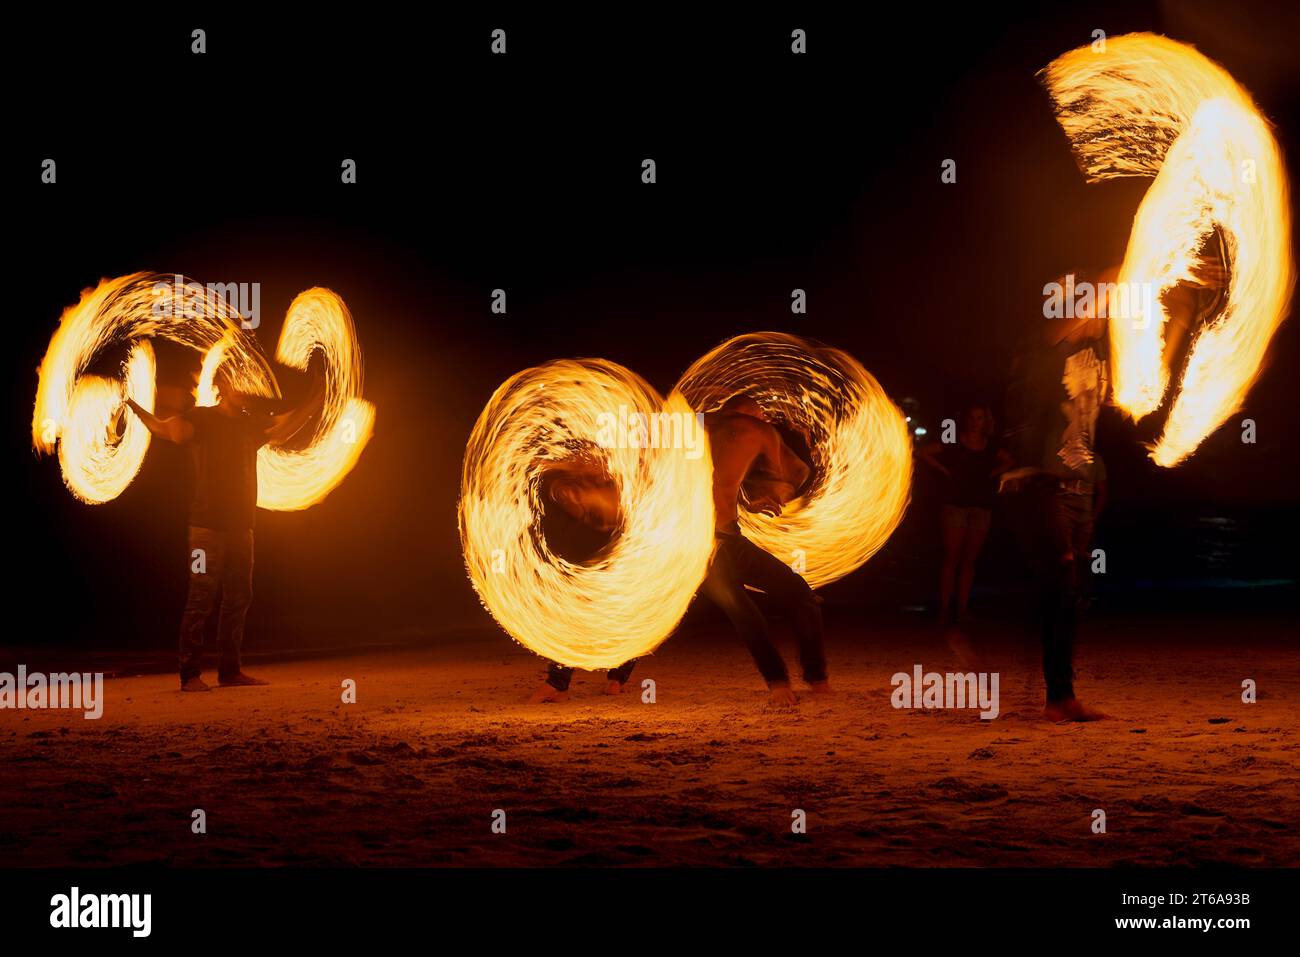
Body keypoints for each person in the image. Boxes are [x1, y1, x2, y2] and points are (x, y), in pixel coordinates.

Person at [126, 365, 325, 692]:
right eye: (236, 380)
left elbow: (284, 426)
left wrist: (315, 400)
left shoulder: (249, 424)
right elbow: (165, 429)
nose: (244, 385)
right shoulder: (203, 419)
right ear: (221, 385)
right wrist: (137, 409)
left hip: (241, 528)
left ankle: (230, 671)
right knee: (201, 596)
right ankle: (190, 674)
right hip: (205, 529)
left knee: (239, 597)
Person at [1002, 272, 1110, 722]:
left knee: (1069, 592)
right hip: (1041, 484)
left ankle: (1057, 691)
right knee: (1061, 582)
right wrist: (1113, 279)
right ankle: (1059, 698)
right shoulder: (1045, 347)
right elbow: (1055, 329)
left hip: (1078, 489)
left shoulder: (1097, 360)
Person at [698, 395, 827, 707]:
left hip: (729, 537)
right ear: (749, 412)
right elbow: (794, 474)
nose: (763, 419)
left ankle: (816, 677)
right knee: (742, 608)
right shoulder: (694, 427)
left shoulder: (706, 427)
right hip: (693, 545)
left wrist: (754, 499)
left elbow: (724, 484)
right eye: (759, 414)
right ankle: (778, 682)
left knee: (800, 594)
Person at [528, 462, 639, 703]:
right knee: (570, 615)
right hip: (584, 551)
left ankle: (616, 677)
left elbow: (611, 511)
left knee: (625, 616)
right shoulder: (583, 471)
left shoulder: (622, 474)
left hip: (618, 551)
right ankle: (559, 683)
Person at [917, 404, 1013, 624]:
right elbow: (923, 452)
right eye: (971, 417)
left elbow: (1010, 460)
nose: (974, 422)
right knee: (951, 559)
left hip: (981, 506)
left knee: (969, 561)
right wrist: (944, 471)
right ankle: (943, 610)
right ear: (966, 419)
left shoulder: (990, 446)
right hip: (955, 504)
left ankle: (961, 610)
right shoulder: (954, 440)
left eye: (979, 418)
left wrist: (994, 474)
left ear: (984, 421)